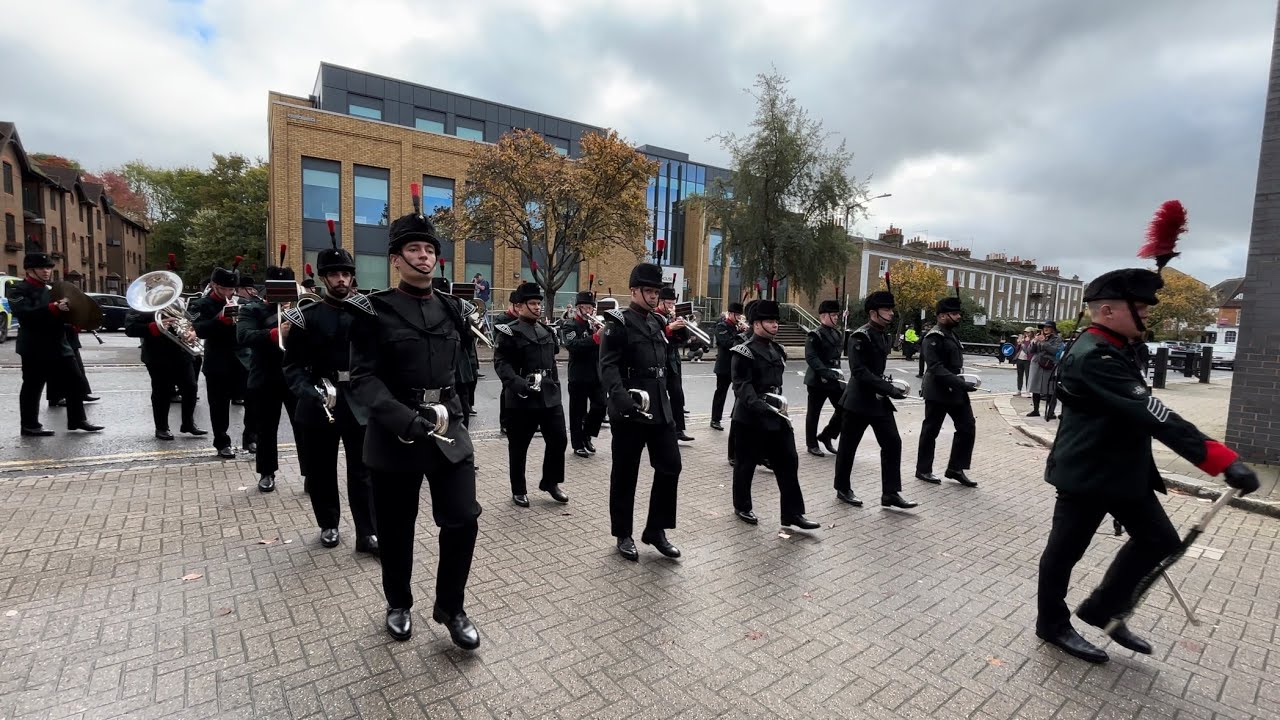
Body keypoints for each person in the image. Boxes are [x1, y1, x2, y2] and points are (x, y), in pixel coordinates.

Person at [1035, 266, 1259, 664]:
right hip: (1088, 473)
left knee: (1160, 541)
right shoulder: (1096, 355)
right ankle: (1051, 623)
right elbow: (1154, 414)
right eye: (1140, 308)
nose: (1149, 315)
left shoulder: (1115, 346)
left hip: (1123, 472)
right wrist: (1222, 461)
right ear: (1107, 311)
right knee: (1065, 552)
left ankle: (1105, 608)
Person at [347, 194, 481, 648]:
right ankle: (398, 603)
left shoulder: (452, 309)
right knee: (397, 528)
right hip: (395, 433)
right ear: (395, 259)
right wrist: (402, 419)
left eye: (429, 250)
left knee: (463, 518)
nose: (424, 256)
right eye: (415, 250)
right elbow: (363, 379)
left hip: (446, 430)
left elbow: (461, 368)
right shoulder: (372, 310)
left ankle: (451, 606)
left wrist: (457, 408)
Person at [282, 238, 378, 554]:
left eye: (345, 274)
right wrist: (308, 392)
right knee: (322, 469)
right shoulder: (305, 316)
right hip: (321, 401)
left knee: (363, 471)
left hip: (359, 400)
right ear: (324, 278)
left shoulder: (366, 313)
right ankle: (329, 525)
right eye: (334, 274)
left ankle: (367, 533)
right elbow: (293, 366)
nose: (341, 279)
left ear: (352, 277)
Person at [599, 262, 683, 561]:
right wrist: (622, 402)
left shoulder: (657, 323)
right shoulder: (617, 322)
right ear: (633, 290)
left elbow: (666, 361)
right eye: (647, 290)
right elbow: (607, 367)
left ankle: (656, 530)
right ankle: (623, 533)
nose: (652, 296)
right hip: (631, 409)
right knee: (625, 473)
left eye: (656, 291)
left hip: (660, 407)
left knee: (671, 466)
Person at [729, 299, 820, 530]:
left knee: (789, 461)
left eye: (776, 321)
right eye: (770, 321)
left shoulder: (777, 350)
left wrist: (774, 409)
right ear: (756, 324)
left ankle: (792, 514)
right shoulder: (744, 350)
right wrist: (759, 405)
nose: (775, 325)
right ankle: (742, 506)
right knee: (745, 464)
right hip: (750, 416)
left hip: (777, 414)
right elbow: (741, 385)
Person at [833, 289, 917, 509]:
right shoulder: (860, 336)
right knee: (848, 446)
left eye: (891, 309)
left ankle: (890, 493)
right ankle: (843, 488)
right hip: (858, 400)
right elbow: (859, 371)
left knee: (892, 443)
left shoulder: (883, 334)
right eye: (886, 309)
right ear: (873, 312)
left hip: (878, 400)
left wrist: (887, 388)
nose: (890, 313)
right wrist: (888, 388)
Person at [9, 249, 102, 435]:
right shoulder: (18, 290)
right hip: (35, 347)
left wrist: (74, 323)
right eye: (41, 268)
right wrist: (52, 308)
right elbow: (26, 315)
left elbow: (62, 316)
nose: (46, 271)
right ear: (29, 270)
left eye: (49, 268)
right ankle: (29, 425)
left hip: (59, 344)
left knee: (75, 381)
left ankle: (78, 419)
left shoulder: (52, 290)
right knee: (33, 386)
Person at [493, 282, 569, 507]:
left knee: (559, 440)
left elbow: (552, 363)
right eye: (533, 303)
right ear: (519, 306)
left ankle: (551, 482)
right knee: (519, 446)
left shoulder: (546, 330)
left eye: (539, 303)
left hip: (548, 395)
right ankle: (518, 489)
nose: (537, 307)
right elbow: (501, 364)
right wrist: (518, 384)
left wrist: (555, 386)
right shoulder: (510, 332)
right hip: (522, 398)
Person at [236, 263, 301, 493]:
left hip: (295, 377)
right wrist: (276, 332)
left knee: (304, 427)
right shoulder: (251, 310)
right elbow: (243, 336)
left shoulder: (300, 309)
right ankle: (266, 472)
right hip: (265, 377)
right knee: (266, 429)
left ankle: (311, 473)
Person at [915, 296, 979, 487]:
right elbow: (935, 366)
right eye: (954, 314)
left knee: (967, 427)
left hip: (956, 388)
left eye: (959, 313)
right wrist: (959, 383)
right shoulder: (934, 337)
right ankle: (923, 469)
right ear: (942, 316)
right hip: (937, 390)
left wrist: (961, 383)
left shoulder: (951, 334)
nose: (958, 317)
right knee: (931, 430)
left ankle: (955, 468)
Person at [124, 298, 205, 440]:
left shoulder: (176, 303)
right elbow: (130, 328)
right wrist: (154, 327)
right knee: (162, 391)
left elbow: (188, 322)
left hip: (181, 353)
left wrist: (190, 331)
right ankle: (161, 428)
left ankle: (188, 423)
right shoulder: (142, 305)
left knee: (191, 388)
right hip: (157, 355)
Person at [189, 265, 244, 458]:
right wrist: (219, 319)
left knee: (253, 401)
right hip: (217, 362)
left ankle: (251, 437)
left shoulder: (241, 302)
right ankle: (222, 442)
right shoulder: (201, 304)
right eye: (224, 289)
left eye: (232, 290)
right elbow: (196, 329)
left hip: (241, 361)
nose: (228, 294)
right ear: (213, 285)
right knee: (219, 406)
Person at [560, 291, 607, 458]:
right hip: (578, 375)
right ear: (578, 309)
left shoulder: (592, 325)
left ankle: (587, 434)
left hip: (596, 374)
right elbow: (573, 345)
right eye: (585, 307)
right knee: (577, 412)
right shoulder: (569, 325)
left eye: (590, 308)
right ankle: (578, 444)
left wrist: (602, 335)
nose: (588, 311)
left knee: (601, 405)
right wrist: (595, 338)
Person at [803, 299, 844, 457]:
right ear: (823, 316)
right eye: (833, 315)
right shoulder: (815, 335)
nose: (836, 318)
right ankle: (811, 444)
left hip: (835, 379)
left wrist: (835, 374)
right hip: (818, 380)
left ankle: (827, 435)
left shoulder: (837, 333)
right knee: (813, 413)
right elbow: (811, 358)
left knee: (844, 409)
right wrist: (826, 373)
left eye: (837, 315)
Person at [658, 285, 695, 443]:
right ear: (661, 302)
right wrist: (669, 327)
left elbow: (684, 339)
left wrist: (682, 323)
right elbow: (654, 335)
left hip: (673, 361)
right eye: (669, 303)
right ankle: (660, 430)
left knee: (677, 396)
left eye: (673, 303)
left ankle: (678, 430)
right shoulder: (654, 316)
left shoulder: (673, 316)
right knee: (659, 397)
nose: (672, 307)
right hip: (659, 360)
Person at [709, 302, 745, 431]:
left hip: (737, 366)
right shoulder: (721, 326)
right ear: (730, 314)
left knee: (739, 393)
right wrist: (740, 334)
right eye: (737, 315)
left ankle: (736, 416)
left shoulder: (738, 328)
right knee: (721, 393)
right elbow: (727, 343)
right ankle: (715, 419)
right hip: (724, 366)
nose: (740, 317)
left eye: (741, 315)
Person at [1027, 321, 1065, 420]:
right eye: (1044, 327)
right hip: (1037, 365)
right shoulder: (1039, 336)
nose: (1045, 329)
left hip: (1049, 366)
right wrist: (1034, 342)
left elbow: (1056, 351)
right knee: (1035, 389)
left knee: (1050, 390)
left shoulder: (1058, 339)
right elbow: (1030, 351)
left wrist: (1043, 343)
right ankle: (1036, 410)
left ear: (1053, 328)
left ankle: (1050, 412)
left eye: (1048, 327)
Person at [1014, 328, 1035, 397]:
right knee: (1019, 375)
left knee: (1028, 375)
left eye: (1028, 332)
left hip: (1028, 360)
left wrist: (1025, 343)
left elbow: (1029, 350)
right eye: (1025, 332)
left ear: (1032, 333)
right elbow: (1017, 349)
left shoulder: (1033, 340)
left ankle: (1028, 391)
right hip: (1020, 359)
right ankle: (1019, 390)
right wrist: (1019, 344)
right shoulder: (1023, 339)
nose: (1026, 334)